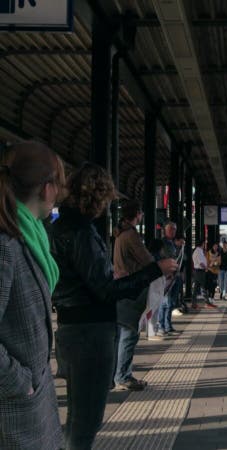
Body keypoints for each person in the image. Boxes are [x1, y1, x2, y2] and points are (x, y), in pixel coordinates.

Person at [51, 162, 178, 449]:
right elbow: (106, 290)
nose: (107, 206)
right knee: (86, 421)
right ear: (97, 196)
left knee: (76, 417)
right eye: (106, 199)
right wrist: (154, 270)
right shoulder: (81, 232)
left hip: (72, 329)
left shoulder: (60, 227)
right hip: (90, 334)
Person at [0, 142, 64, 450]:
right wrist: (20, 383)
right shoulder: (5, 246)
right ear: (47, 188)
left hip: (32, 405)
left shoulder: (28, 237)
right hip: (15, 413)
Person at [112, 199, 151, 391]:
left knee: (122, 335)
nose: (142, 216)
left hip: (122, 289)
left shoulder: (121, 235)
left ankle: (119, 375)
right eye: (141, 213)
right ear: (137, 214)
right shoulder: (131, 236)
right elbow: (147, 260)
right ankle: (123, 377)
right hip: (132, 290)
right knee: (129, 334)